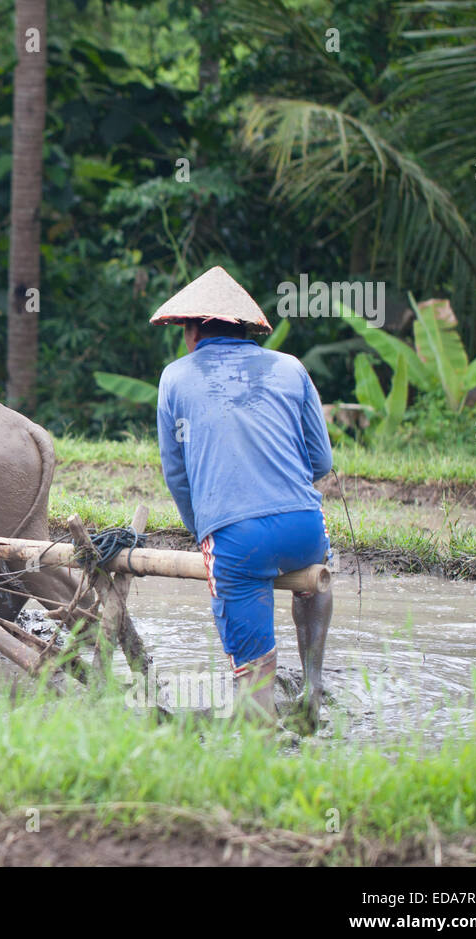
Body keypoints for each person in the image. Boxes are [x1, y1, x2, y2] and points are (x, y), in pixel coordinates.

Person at [152, 266, 334, 728]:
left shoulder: (175, 378)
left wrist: (203, 530)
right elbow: (321, 462)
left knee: (254, 683)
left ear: (192, 331)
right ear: (246, 330)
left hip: (235, 540)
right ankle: (314, 687)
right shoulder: (291, 367)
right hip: (304, 530)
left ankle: (259, 746)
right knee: (314, 578)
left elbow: (177, 472)